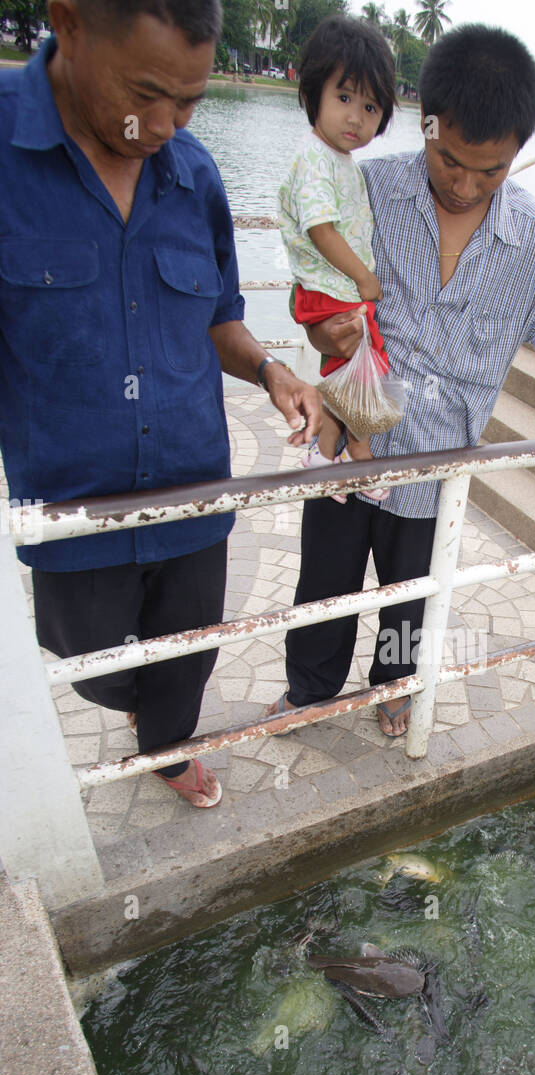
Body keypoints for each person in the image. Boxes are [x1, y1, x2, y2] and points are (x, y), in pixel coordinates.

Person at [266, 23, 535, 741]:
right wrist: (324, 334)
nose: (464, 183)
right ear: (425, 123)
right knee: (322, 584)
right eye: (449, 160)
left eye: (490, 171)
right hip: (349, 437)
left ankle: (395, 687)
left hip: (436, 471)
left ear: (517, 154)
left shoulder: (533, 240)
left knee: (411, 599)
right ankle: (309, 692)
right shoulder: (367, 192)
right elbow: (319, 293)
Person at [0, 0, 320, 807]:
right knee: (89, 661)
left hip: (191, 488)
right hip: (74, 502)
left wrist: (269, 371)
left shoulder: (195, 174)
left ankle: (169, 749)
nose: (165, 124)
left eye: (189, 103)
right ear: (67, 23)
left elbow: (217, 315)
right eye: (145, 93)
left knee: (187, 655)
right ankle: (137, 712)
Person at [277, 15, 396, 497]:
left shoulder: (338, 159)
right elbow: (321, 229)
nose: (355, 117)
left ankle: (325, 454)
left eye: (369, 106)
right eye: (343, 97)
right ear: (313, 94)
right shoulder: (314, 159)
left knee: (348, 369)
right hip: (333, 290)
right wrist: (365, 279)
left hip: (336, 290)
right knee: (367, 365)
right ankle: (358, 453)